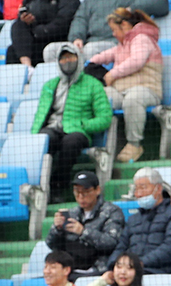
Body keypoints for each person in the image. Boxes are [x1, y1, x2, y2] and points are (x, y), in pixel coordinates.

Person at [32, 43, 112, 191]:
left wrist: (84, 125)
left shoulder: (93, 84)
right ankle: (40, 186)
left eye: (71, 57)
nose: (67, 62)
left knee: (71, 142)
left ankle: (58, 186)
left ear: (79, 59)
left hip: (77, 131)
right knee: (45, 139)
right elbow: (40, 116)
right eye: (63, 59)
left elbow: (105, 117)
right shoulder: (50, 85)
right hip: (53, 128)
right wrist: (35, 135)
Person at [88, 8, 163, 164]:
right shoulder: (121, 45)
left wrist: (112, 74)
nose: (113, 34)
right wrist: (90, 63)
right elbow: (104, 56)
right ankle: (98, 141)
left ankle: (134, 144)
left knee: (133, 99)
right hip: (121, 91)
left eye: (114, 30)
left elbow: (137, 61)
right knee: (100, 95)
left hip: (146, 89)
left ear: (124, 25)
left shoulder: (142, 39)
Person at [107, 168, 171, 274]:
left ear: (158, 189)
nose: (138, 194)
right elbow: (121, 247)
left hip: (158, 272)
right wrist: (113, 265)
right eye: (136, 189)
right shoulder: (133, 219)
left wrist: (139, 263)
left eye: (143, 188)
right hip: (130, 271)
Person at [45, 171, 125, 276]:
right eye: (76, 191)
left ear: (97, 190)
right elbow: (51, 244)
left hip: (99, 270)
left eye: (86, 191)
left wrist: (83, 232)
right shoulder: (72, 213)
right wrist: (57, 229)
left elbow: (112, 242)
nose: (81, 196)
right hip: (70, 269)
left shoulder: (112, 212)